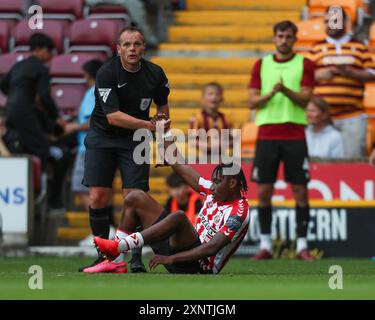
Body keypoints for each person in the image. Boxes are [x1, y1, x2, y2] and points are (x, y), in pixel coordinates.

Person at [80, 26, 170, 273]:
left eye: (137, 44)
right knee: (98, 196)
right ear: (118, 48)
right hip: (102, 137)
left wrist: (163, 140)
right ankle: (104, 257)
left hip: (135, 140)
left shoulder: (155, 73)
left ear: (144, 48)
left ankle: (135, 257)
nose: (132, 48)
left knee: (135, 197)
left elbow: (163, 109)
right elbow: (113, 117)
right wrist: (148, 125)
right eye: (127, 44)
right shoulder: (107, 72)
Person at [92, 158, 250, 274]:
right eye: (213, 182)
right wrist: (163, 131)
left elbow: (212, 248)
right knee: (135, 197)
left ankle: (117, 246)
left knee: (180, 217)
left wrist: (171, 259)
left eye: (217, 182)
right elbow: (180, 167)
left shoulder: (240, 211)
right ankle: (116, 262)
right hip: (177, 248)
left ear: (232, 183)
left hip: (197, 266)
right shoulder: (213, 191)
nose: (212, 186)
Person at [248, 20, 315, 261]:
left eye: (288, 36)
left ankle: (302, 246)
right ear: (274, 38)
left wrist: (285, 91)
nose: (284, 40)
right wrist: (272, 93)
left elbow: (306, 99)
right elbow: (252, 101)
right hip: (267, 135)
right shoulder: (261, 64)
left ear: (295, 39)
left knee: (300, 190)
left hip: (295, 134)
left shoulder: (305, 64)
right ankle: (265, 245)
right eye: (280, 36)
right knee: (264, 190)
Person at [0, 33, 75, 209]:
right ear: (40, 51)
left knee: (24, 145)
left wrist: (17, 96)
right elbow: (44, 96)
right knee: (48, 151)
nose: (50, 58)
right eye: (50, 52)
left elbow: (2, 84)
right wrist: (57, 116)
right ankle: (49, 199)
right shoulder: (41, 69)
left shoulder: (19, 65)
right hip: (25, 114)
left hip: (11, 111)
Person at [308, 9, 375, 158]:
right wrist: (317, 75)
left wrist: (350, 73)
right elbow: (303, 77)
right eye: (327, 21)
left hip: (353, 116)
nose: (330, 25)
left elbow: (372, 73)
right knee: (320, 163)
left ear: (345, 23)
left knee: (353, 160)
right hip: (322, 119)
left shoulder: (359, 46)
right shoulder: (316, 48)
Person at [66, 59, 117, 246]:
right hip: (104, 147)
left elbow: (91, 122)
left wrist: (72, 126)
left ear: (88, 75)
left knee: (80, 188)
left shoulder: (91, 92)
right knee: (101, 190)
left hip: (87, 148)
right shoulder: (108, 91)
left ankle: (100, 230)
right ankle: (106, 228)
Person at [189, 82, 233, 160]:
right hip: (201, 158)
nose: (214, 97)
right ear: (202, 98)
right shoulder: (197, 118)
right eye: (210, 94)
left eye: (217, 94)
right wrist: (210, 146)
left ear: (222, 98)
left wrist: (223, 144)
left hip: (222, 158)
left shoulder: (227, 119)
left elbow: (233, 140)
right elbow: (192, 141)